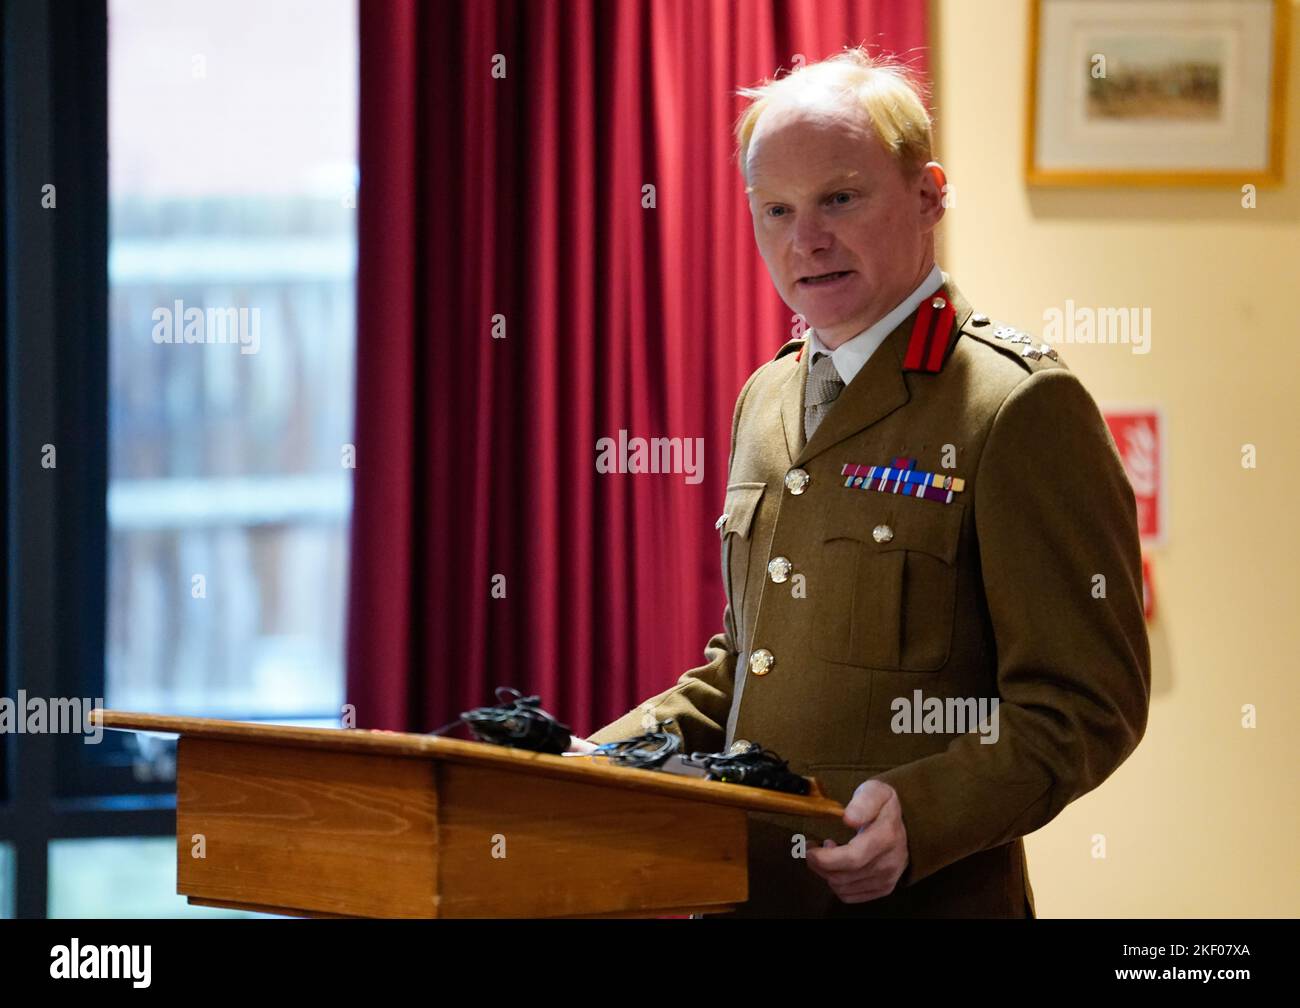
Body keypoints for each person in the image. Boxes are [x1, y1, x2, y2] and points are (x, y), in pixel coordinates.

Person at [569, 48, 1150, 918]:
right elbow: (746, 668)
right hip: (744, 896)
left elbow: (1086, 703)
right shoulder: (767, 398)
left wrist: (922, 815)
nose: (807, 239)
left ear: (928, 195)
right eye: (777, 210)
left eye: (840, 198)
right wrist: (586, 767)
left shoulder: (1016, 406)